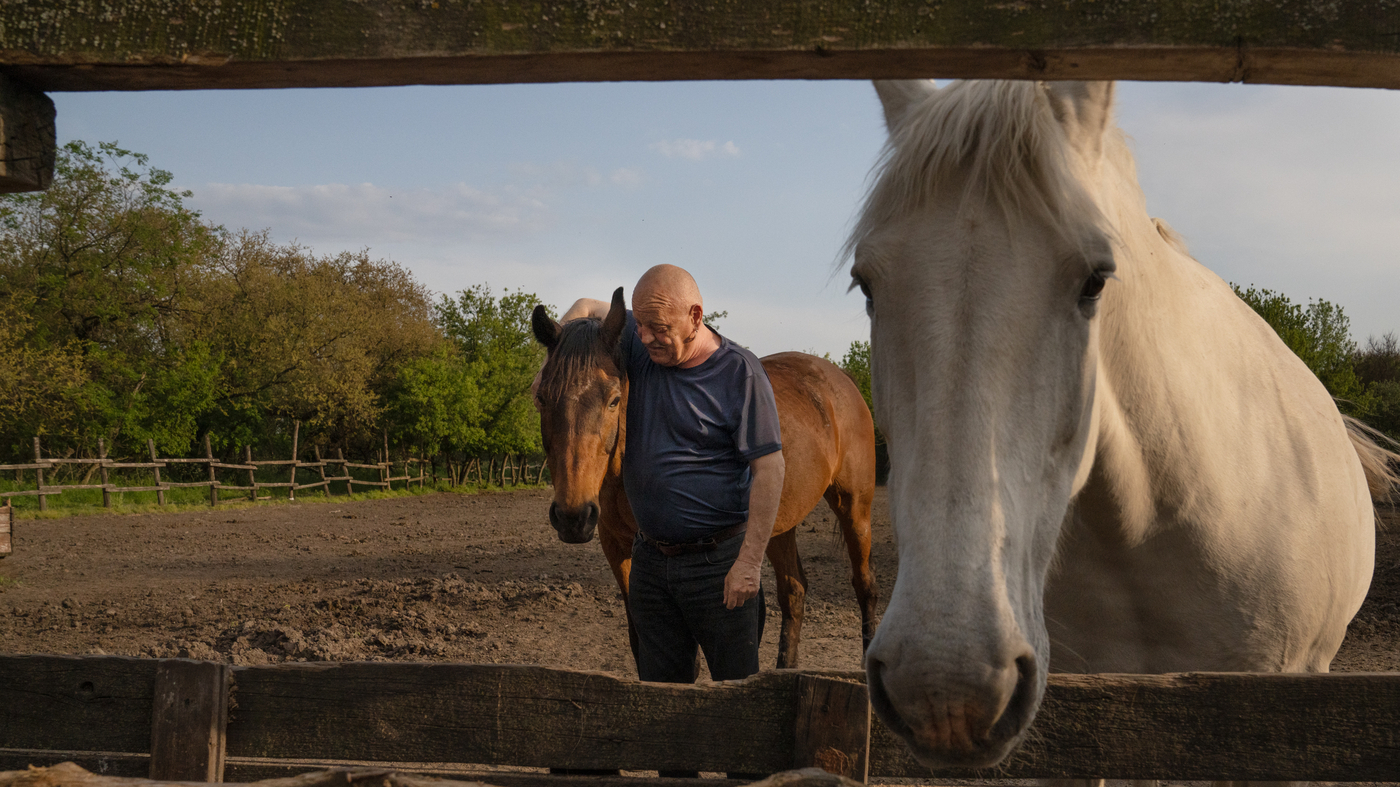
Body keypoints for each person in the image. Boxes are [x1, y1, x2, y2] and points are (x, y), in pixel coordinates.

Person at [557, 264, 785, 683]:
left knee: (735, 696)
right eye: (639, 324)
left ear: (695, 316)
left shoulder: (739, 373)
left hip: (718, 566)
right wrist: (555, 360)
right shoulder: (646, 349)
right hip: (650, 564)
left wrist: (750, 563)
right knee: (658, 696)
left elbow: (770, 470)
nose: (644, 338)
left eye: (657, 327)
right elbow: (587, 306)